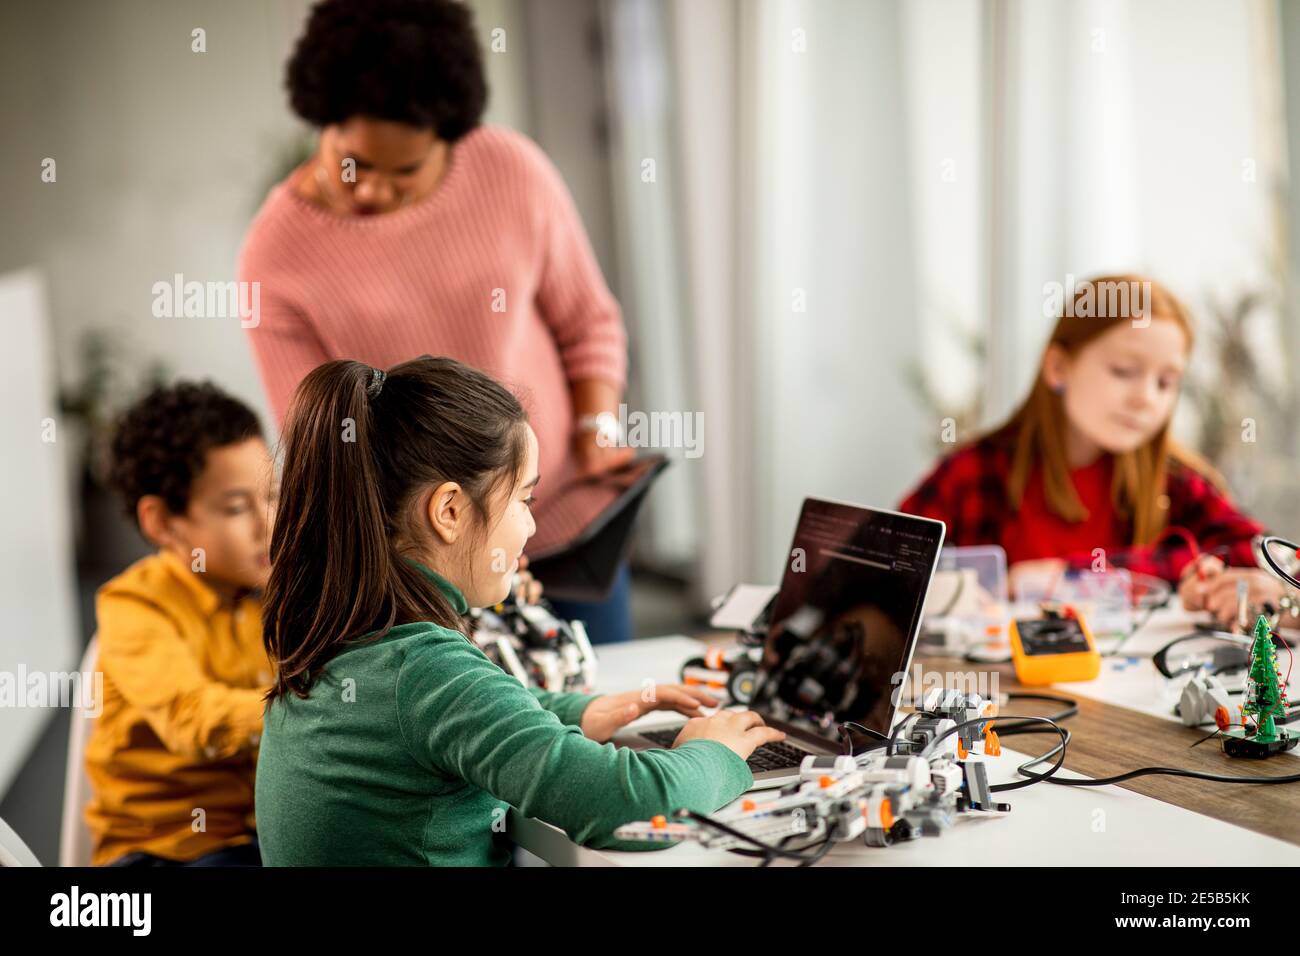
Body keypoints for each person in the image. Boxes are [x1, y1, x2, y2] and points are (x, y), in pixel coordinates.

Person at [254, 356, 784, 865]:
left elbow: (452, 717)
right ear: (450, 511)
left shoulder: (337, 639)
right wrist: (713, 753)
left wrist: (579, 713)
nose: (531, 528)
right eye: (525, 501)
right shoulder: (425, 669)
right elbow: (625, 807)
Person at [239, 0, 634, 642]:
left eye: (405, 173)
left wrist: (599, 425)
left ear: (449, 136)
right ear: (324, 118)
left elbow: (589, 324)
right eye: (355, 163)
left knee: (615, 715)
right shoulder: (274, 255)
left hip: (566, 531)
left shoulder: (513, 172)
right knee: (485, 739)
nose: (372, 191)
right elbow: (325, 440)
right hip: (428, 578)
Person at [898, 274, 1274, 623]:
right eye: (1124, 371)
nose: (1146, 398)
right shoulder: (974, 472)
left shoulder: (1172, 481)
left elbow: (1266, 557)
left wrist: (1072, 575)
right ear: (1059, 367)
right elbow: (886, 562)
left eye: (1166, 382)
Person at [86, 382, 276, 866]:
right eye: (236, 508)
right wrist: (315, 714)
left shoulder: (280, 589)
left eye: (272, 495)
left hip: (267, 834)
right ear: (162, 522)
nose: (268, 524)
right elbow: (193, 717)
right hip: (166, 850)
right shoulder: (134, 606)